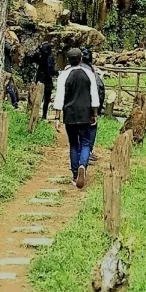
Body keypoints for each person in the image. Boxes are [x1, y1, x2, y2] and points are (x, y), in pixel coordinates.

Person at [53, 47, 100, 188]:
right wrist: (94, 114)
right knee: (85, 143)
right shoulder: (89, 74)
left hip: (70, 114)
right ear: (81, 59)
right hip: (85, 113)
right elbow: (94, 96)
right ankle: (82, 165)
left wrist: (57, 117)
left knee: (73, 144)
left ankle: (75, 175)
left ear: (68, 60)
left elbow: (59, 97)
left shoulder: (63, 75)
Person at [35, 41, 56, 120]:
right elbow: (51, 69)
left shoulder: (39, 57)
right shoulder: (50, 58)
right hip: (47, 79)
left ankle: (35, 113)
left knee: (38, 97)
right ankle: (44, 115)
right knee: (47, 98)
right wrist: (56, 73)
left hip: (40, 77)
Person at [2, 38, 19, 109]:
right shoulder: (12, 52)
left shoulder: (5, 49)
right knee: (9, 88)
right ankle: (15, 103)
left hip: (4, 70)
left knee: (2, 88)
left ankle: (1, 103)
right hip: (9, 71)